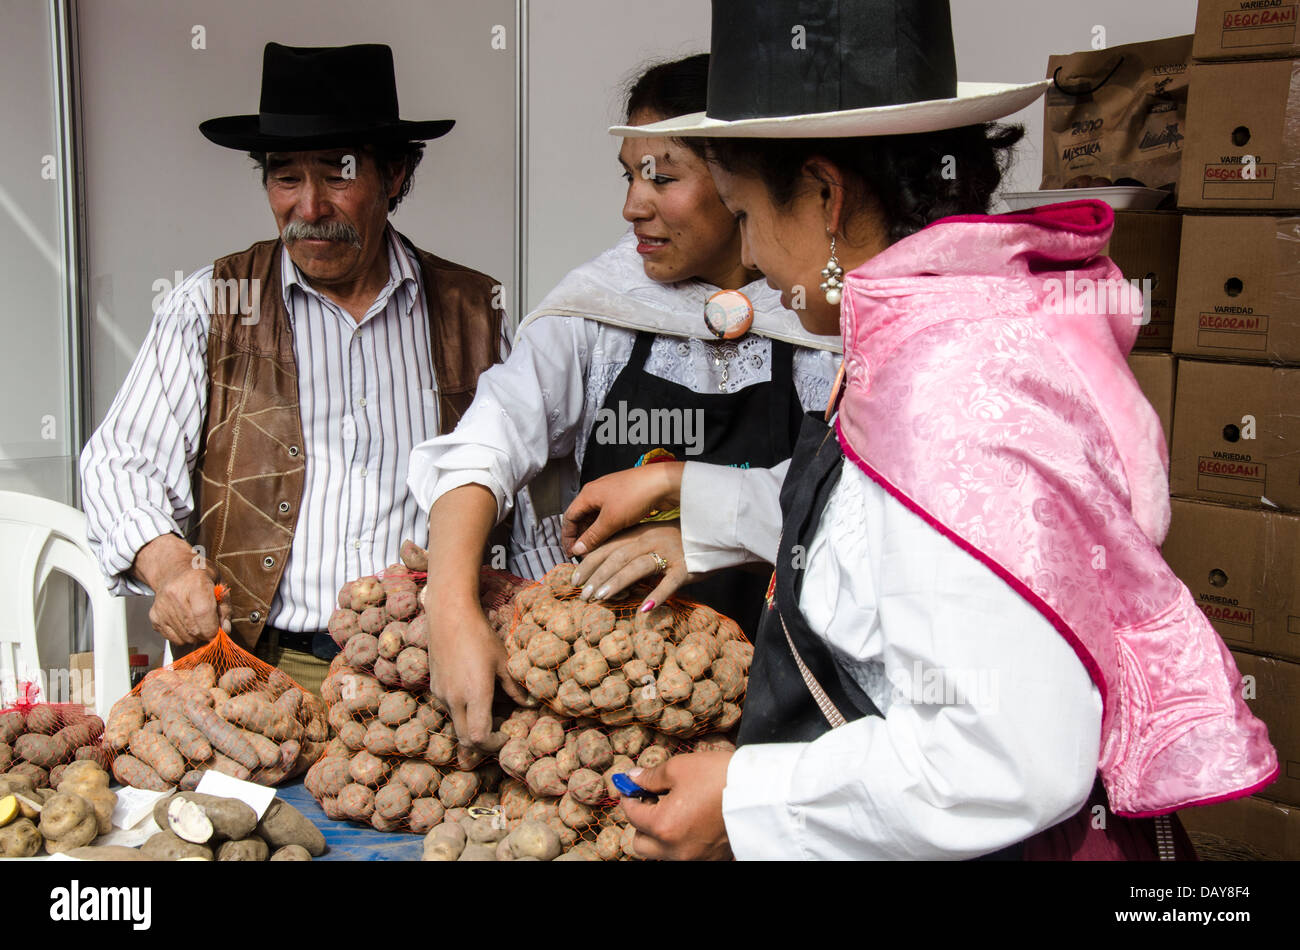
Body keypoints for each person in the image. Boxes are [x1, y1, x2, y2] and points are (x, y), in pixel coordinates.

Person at [566, 0, 1278, 860]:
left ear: (825, 197)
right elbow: (896, 538)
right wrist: (692, 492)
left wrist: (748, 797)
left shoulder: (947, 389)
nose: (748, 255)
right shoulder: (968, 322)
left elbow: (1005, 756)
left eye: (745, 214)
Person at [408, 54, 841, 745]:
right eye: (629, 174)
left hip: (786, 712)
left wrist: (701, 523)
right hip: (612, 708)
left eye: (662, 177)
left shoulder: (820, 313)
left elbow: (846, 507)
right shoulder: (601, 304)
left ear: (739, 183)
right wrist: (453, 606)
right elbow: (488, 439)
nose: (632, 205)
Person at [80, 43, 507, 693]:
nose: (308, 208)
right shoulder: (210, 305)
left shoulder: (477, 313)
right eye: (285, 177)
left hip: (423, 666)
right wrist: (169, 568)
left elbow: (531, 505)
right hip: (255, 668)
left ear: (394, 175)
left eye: (337, 174)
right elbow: (118, 463)